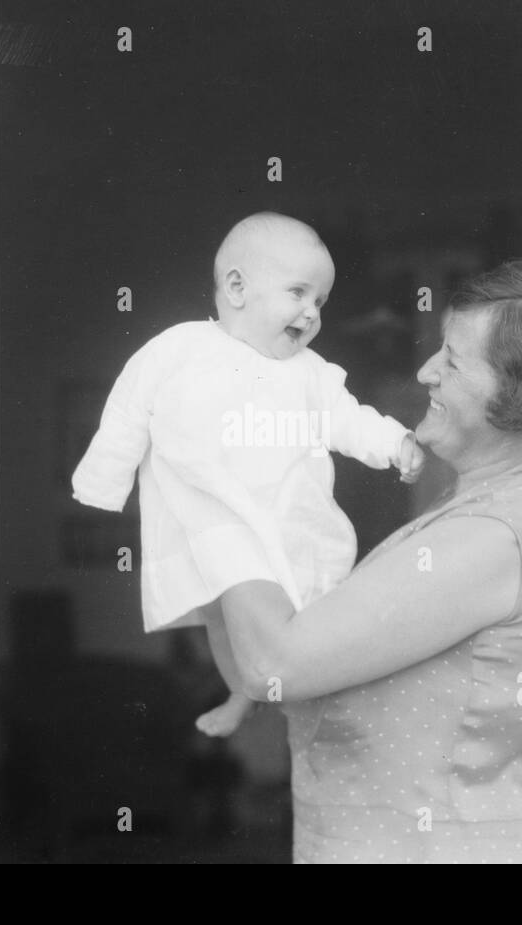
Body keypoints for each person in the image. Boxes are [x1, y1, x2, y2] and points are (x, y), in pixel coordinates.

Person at [215, 259, 522, 863]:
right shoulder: (491, 507)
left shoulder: (491, 538)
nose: (426, 370)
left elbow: (272, 663)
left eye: (454, 360)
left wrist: (218, 485)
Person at [71, 212, 425, 737]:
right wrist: (103, 483)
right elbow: (130, 408)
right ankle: (242, 689)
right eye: (298, 293)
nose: (310, 313)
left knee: (306, 612)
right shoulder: (180, 349)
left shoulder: (311, 373)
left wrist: (395, 442)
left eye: (320, 302)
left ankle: (289, 693)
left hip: (289, 515)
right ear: (237, 287)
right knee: (223, 610)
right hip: (213, 512)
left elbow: (349, 419)